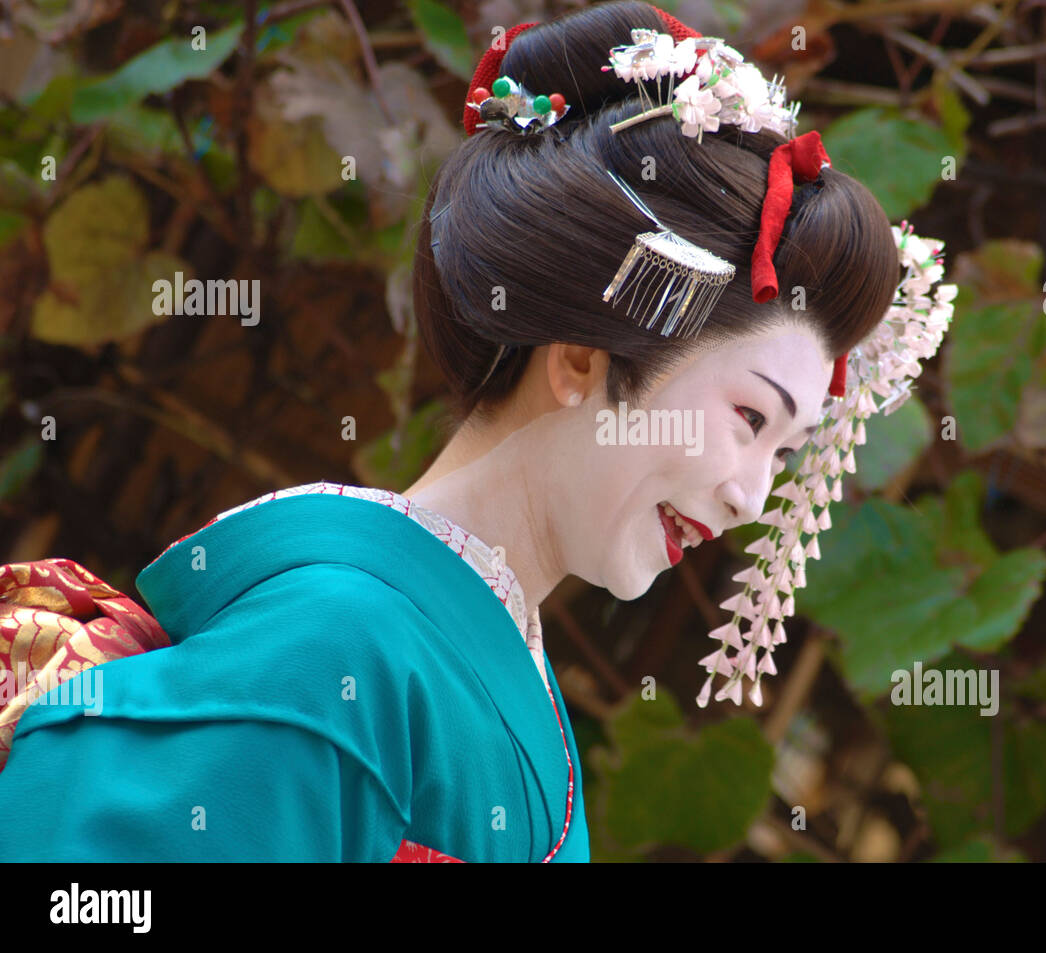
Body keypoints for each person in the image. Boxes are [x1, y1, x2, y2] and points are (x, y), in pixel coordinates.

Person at [0, 0, 919, 862]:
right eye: (750, 417)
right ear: (581, 357)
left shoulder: (482, 684)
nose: (751, 495)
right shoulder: (338, 650)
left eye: (786, 450)